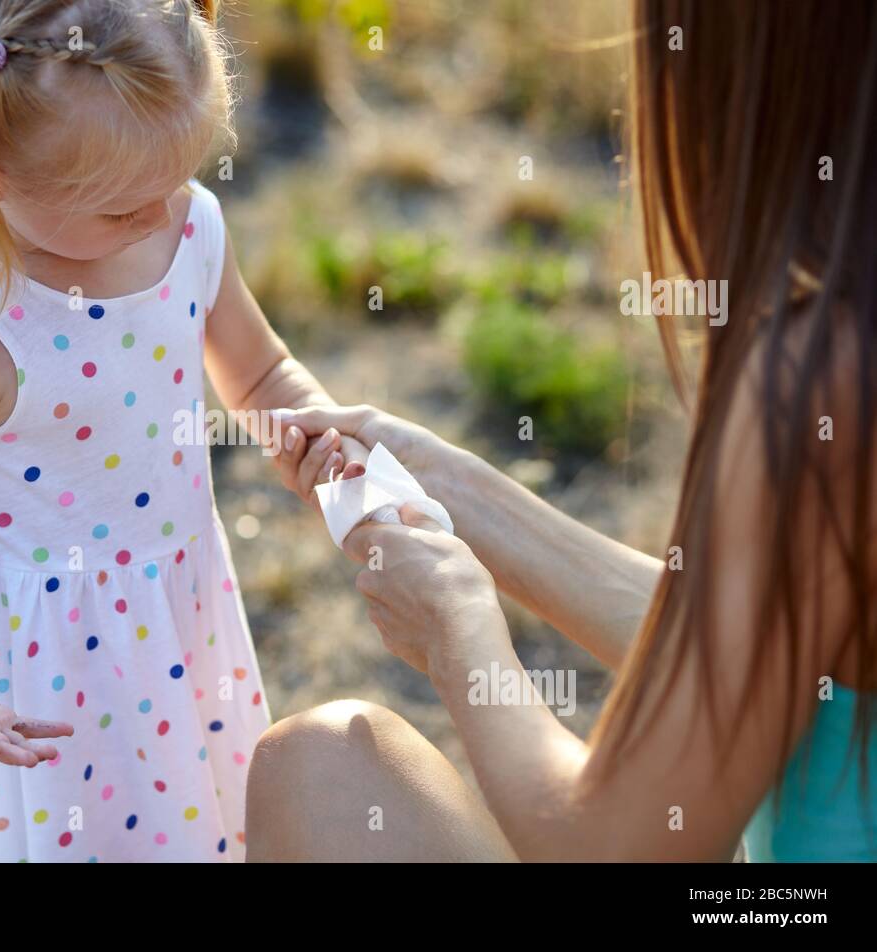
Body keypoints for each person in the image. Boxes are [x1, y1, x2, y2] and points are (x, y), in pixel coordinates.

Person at [248, 0, 877, 862]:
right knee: (321, 763)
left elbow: (617, 844)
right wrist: (453, 486)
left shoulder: (826, 376)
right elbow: (754, 641)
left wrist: (457, 632)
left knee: (322, 774)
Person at [0, 0, 366, 862]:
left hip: (184, 613)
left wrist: (310, 432)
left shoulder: (187, 225)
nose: (163, 211)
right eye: (124, 207)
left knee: (201, 821)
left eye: (179, 178)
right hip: (44, 678)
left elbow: (261, 373)